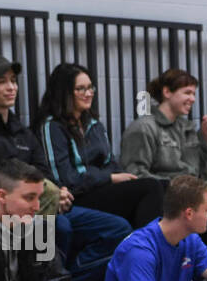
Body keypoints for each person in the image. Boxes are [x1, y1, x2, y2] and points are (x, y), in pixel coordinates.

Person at [0, 54, 130, 281]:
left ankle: (69, 280)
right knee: (60, 226)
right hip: (8, 211)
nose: (11, 87)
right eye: (2, 82)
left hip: (45, 202)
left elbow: (44, 170)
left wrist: (57, 192)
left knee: (117, 228)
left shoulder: (21, 129)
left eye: (13, 80)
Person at [118, 68, 207, 275]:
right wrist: (175, 186)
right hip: (169, 199)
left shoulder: (188, 128)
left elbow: (204, 172)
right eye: (187, 93)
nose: (192, 99)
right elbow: (136, 176)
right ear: (167, 92)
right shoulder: (144, 127)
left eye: (194, 94)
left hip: (194, 195)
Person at [35, 62, 165, 229]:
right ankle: (146, 250)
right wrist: (108, 177)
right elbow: (65, 178)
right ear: (65, 93)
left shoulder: (94, 124)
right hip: (77, 196)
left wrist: (114, 177)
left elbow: (110, 164)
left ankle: (172, 249)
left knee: (164, 187)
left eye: (90, 88)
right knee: (150, 188)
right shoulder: (52, 126)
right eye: (81, 89)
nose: (89, 93)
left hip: (101, 188)